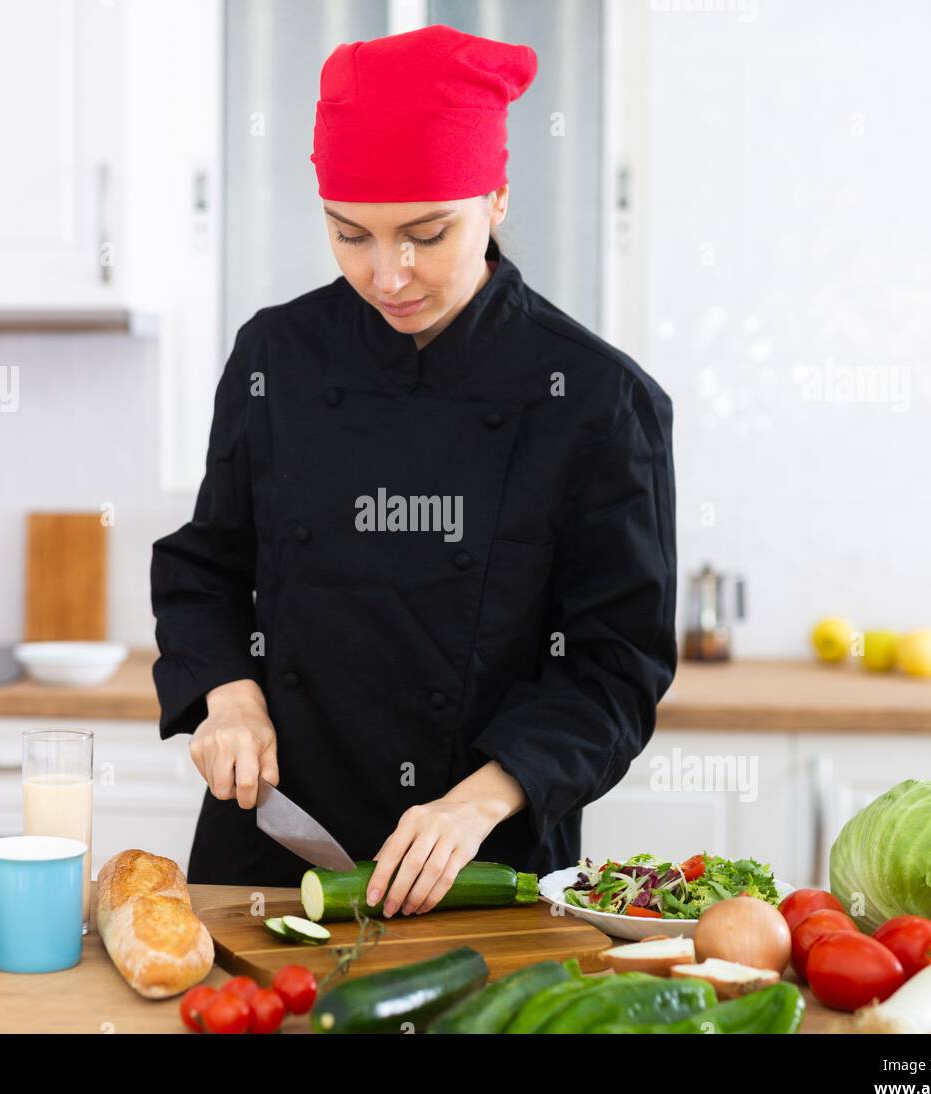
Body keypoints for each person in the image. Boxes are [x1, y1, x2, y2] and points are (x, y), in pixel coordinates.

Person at [151, 24, 677, 918]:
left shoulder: (597, 399)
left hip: (480, 868)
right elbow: (206, 568)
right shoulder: (275, 354)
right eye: (349, 233)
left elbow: (613, 671)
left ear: (498, 197)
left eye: (425, 234)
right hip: (267, 851)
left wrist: (480, 800)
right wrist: (228, 701)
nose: (386, 273)